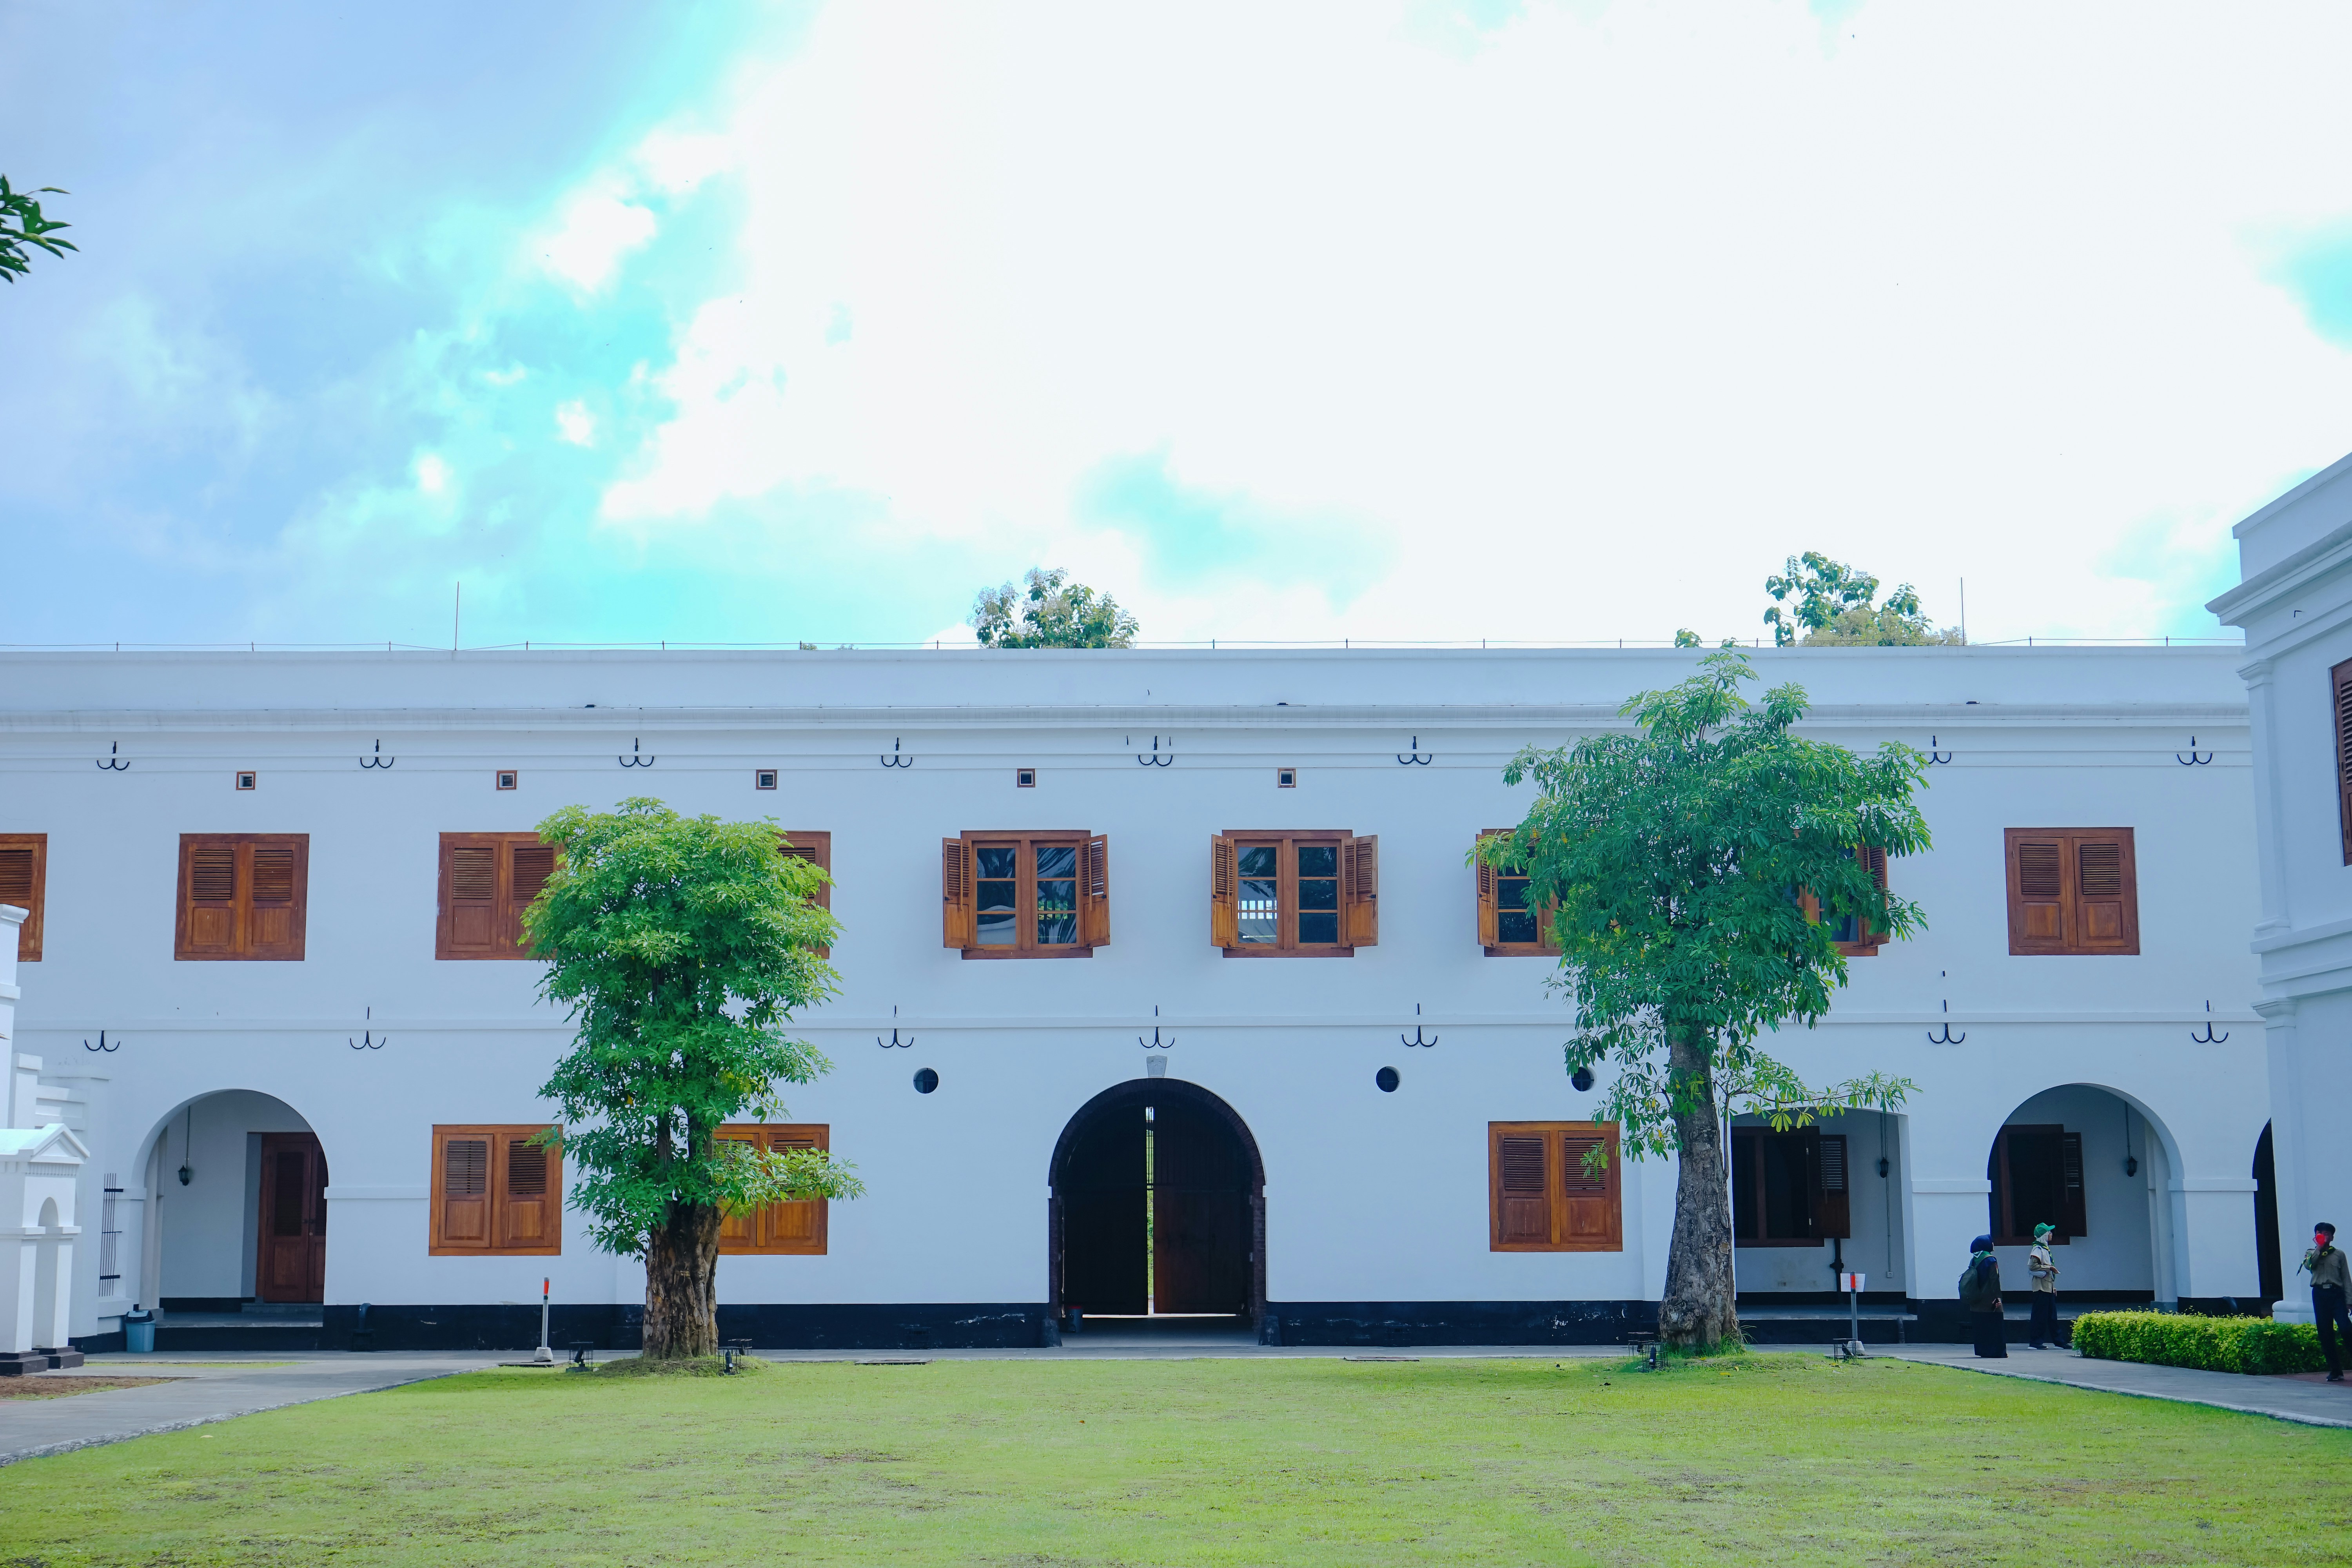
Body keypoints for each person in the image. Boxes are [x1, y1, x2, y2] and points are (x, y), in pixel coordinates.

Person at [2302, 1221, 2350, 1383]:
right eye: (2321, 1233)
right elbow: (2310, 1266)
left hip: (2337, 1295)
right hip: (2320, 1295)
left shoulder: (2339, 1254)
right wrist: (2319, 1248)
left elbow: (2346, 1279)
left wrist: (2349, 1301)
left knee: (2346, 1329)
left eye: (2327, 1234)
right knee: (2325, 1333)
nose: (2324, 1236)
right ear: (2316, 1235)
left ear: (2332, 1237)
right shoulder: (2310, 1253)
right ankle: (2336, 1371)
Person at [1959, 1234, 2006, 1358]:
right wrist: (1998, 1298)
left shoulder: (1974, 1260)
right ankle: (1998, 1352)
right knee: (1995, 1326)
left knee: (1981, 1327)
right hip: (1989, 1301)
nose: (1993, 1244)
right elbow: (1994, 1280)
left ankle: (1983, 1351)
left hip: (1976, 1300)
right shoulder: (1991, 1260)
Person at [2026, 1223, 2060, 1348]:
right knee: (2040, 1315)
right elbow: (2032, 1266)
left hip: (2048, 1286)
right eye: (2049, 1233)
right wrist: (2049, 1268)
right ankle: (2035, 1342)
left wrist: (2053, 1286)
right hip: (2041, 1287)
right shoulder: (2038, 1249)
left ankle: (2059, 1341)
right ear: (2044, 1235)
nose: (2051, 1234)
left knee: (2052, 1315)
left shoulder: (2045, 1249)